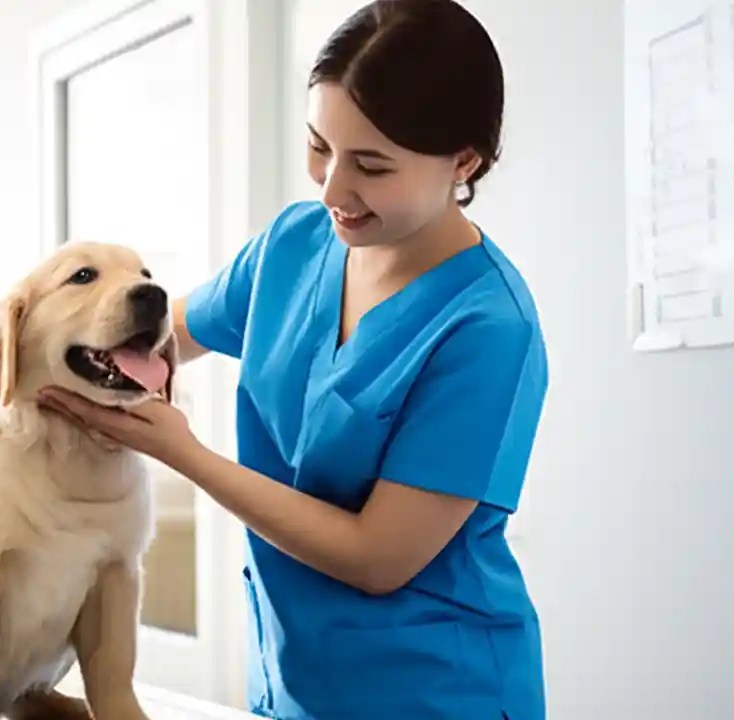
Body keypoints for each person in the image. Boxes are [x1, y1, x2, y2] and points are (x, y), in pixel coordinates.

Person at [39, 0, 548, 717]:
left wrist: (187, 455)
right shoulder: (292, 246)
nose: (333, 190)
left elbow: (379, 558)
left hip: (435, 689)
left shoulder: (488, 328)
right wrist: (52, 353)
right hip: (293, 681)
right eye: (320, 147)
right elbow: (160, 336)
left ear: (463, 159)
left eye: (371, 166)